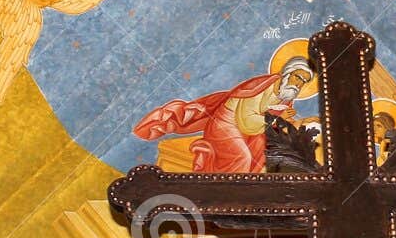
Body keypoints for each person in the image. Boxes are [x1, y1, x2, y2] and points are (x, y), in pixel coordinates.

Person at [133, 58, 313, 173]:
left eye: (304, 81)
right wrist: (277, 119)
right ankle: (223, 195)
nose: (299, 84)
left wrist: (284, 122)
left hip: (249, 133)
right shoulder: (261, 87)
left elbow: (268, 125)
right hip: (225, 125)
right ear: (287, 73)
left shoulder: (286, 96)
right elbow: (246, 122)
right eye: (298, 77)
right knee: (242, 157)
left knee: (270, 154)